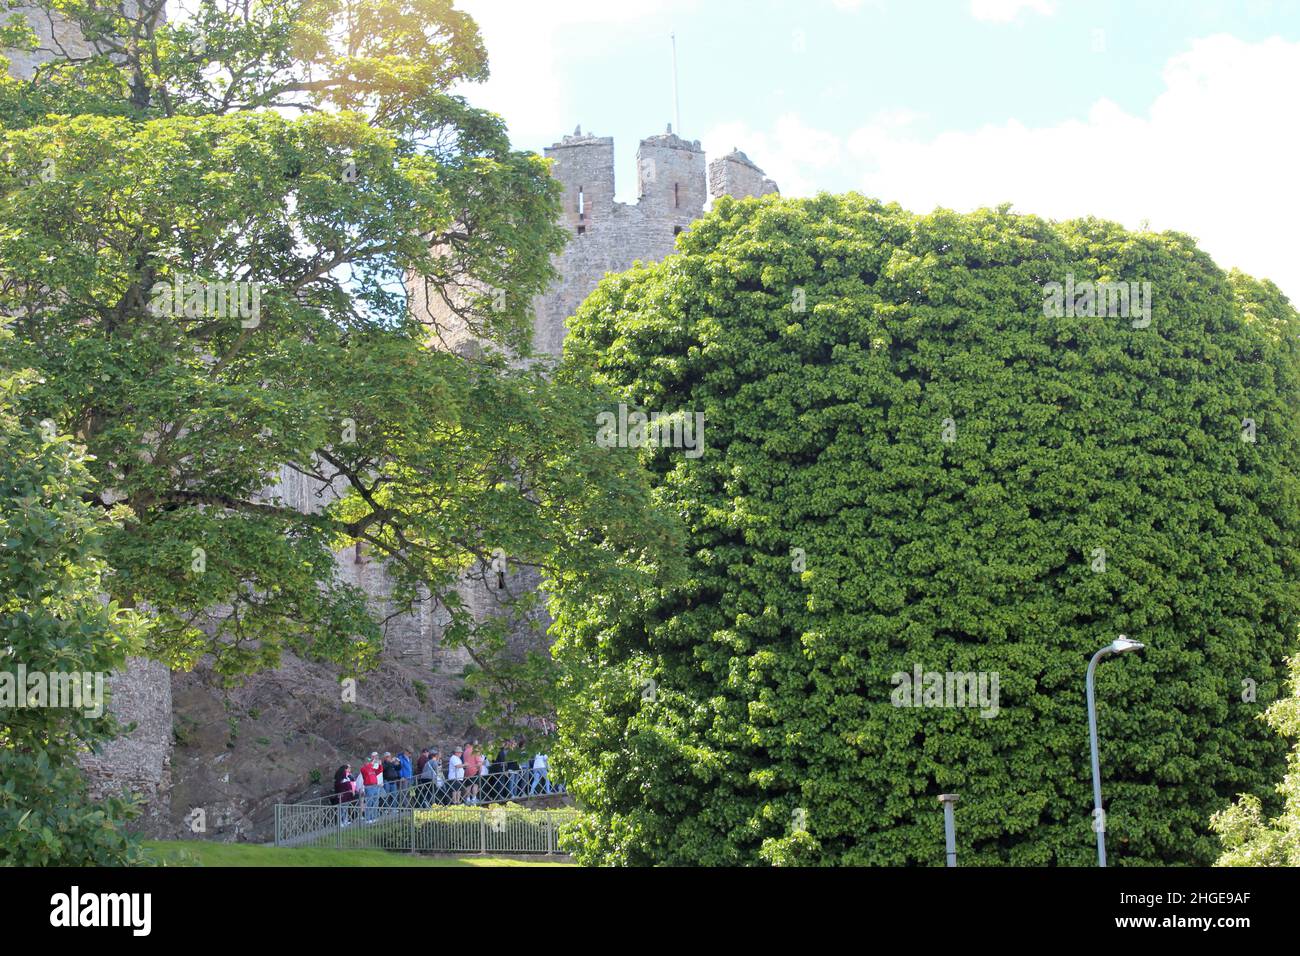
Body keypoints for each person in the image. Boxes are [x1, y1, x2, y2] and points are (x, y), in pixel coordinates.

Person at [358, 752, 384, 823]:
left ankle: (374, 817)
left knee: (375, 802)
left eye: (369, 761)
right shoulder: (363, 769)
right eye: (368, 761)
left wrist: (380, 765)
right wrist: (372, 762)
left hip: (375, 786)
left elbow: (379, 771)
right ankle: (368, 818)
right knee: (369, 802)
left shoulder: (371, 768)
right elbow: (367, 768)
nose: (369, 762)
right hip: (369, 787)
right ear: (365, 762)